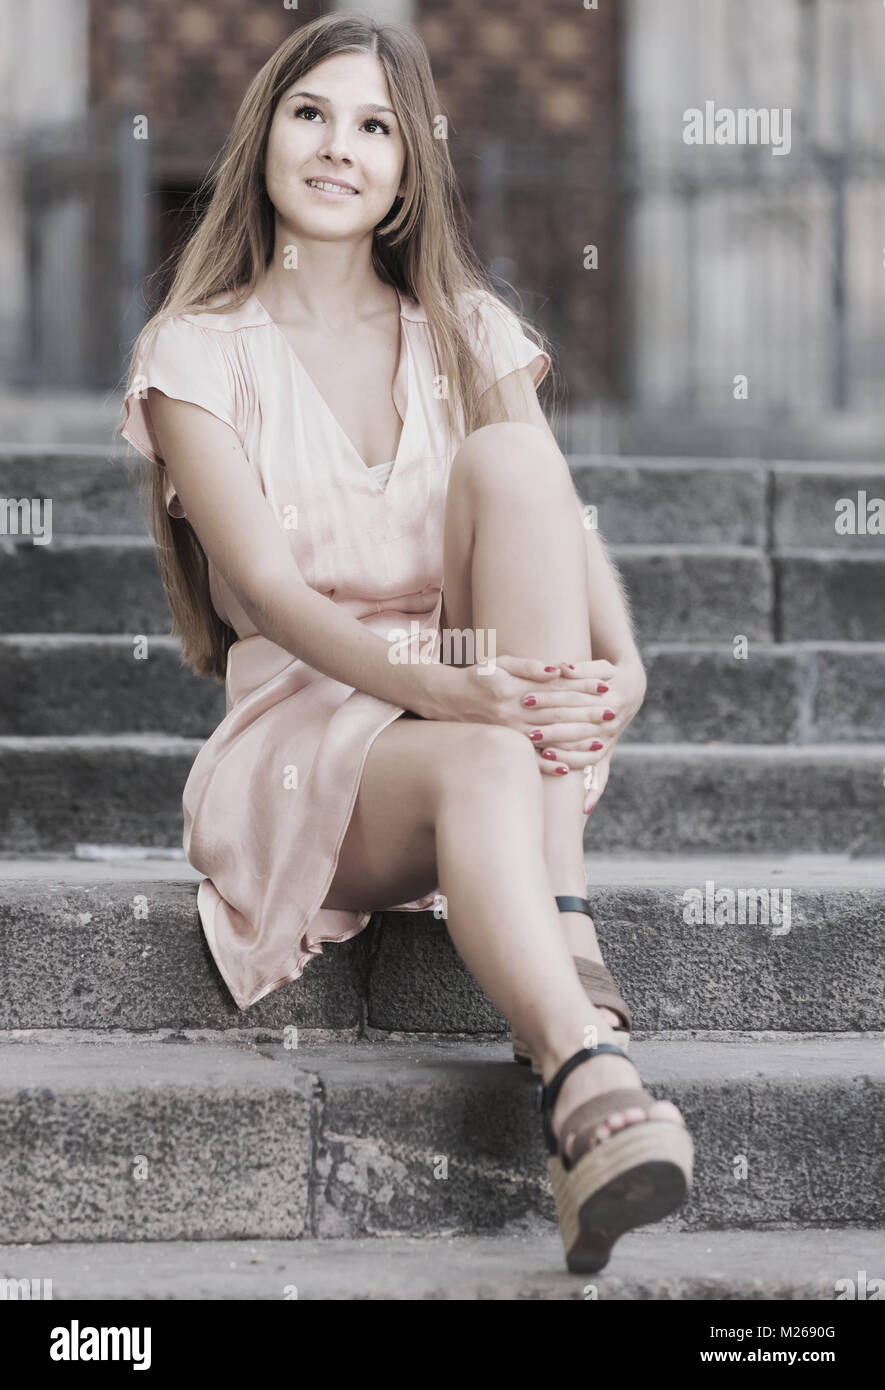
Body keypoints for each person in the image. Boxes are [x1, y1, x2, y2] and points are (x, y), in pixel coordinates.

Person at [119, 11, 693, 1273]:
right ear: (265, 131)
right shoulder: (196, 354)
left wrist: (628, 663)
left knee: (511, 458)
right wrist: (447, 690)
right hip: (308, 737)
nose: (340, 148)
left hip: (472, 699)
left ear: (408, 166)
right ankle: (585, 1064)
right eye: (313, 114)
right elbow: (265, 592)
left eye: (376, 126)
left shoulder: (465, 330)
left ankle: (564, 921)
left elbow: (554, 520)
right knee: (481, 753)